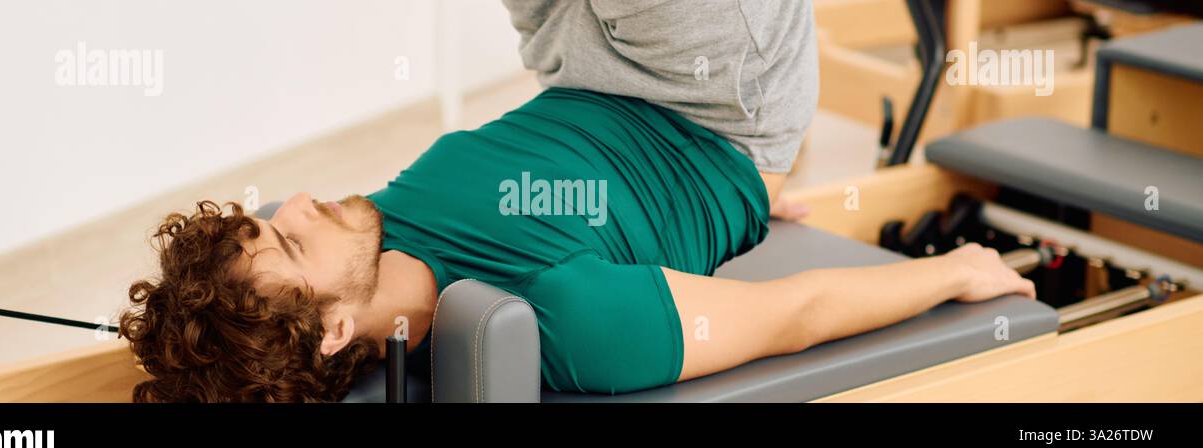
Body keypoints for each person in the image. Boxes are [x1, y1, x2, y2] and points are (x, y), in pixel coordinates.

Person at [118, 2, 1035, 402]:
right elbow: (794, 312)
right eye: (289, 234)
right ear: (327, 331)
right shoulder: (561, 322)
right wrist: (954, 273)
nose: (305, 201)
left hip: (583, 58)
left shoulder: (376, 232)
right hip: (720, 106)